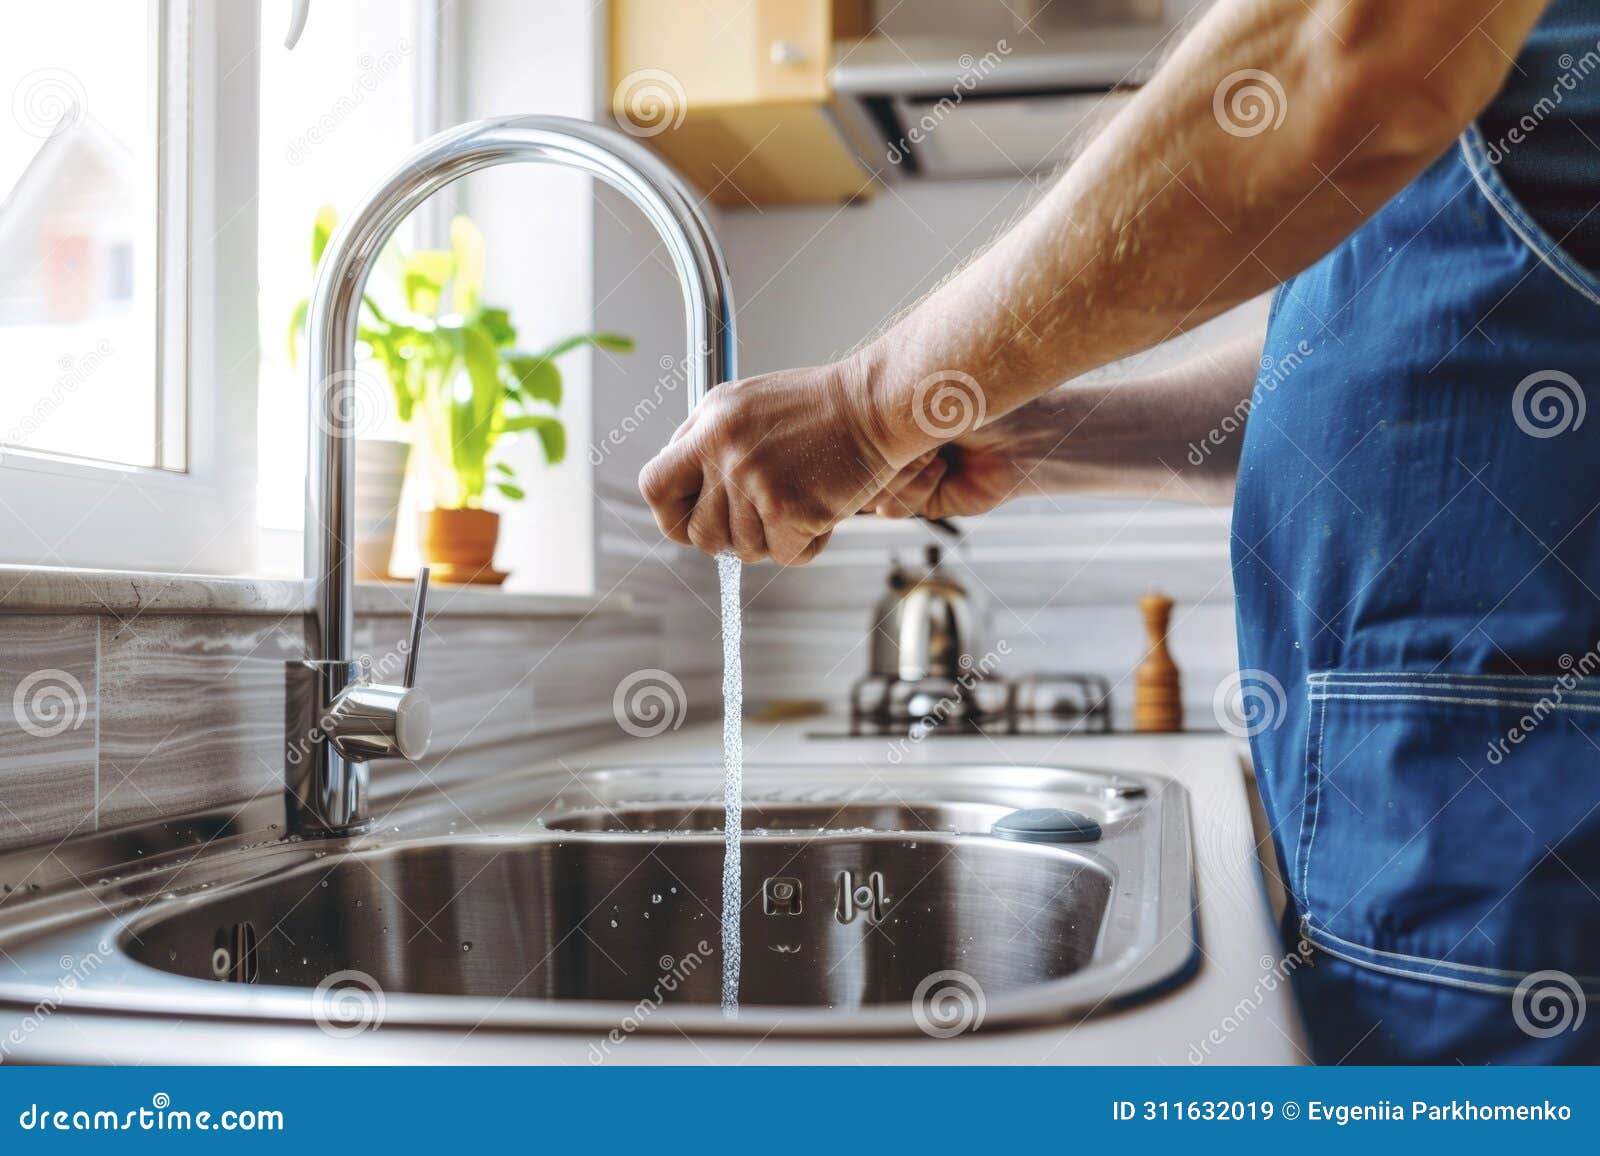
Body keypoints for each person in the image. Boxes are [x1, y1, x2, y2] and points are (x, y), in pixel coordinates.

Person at [640, 0, 1600, 1063]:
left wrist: (872, 403)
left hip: (1519, 830)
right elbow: (1392, 386)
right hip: (1446, 829)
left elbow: (1342, 50)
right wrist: (1048, 437)